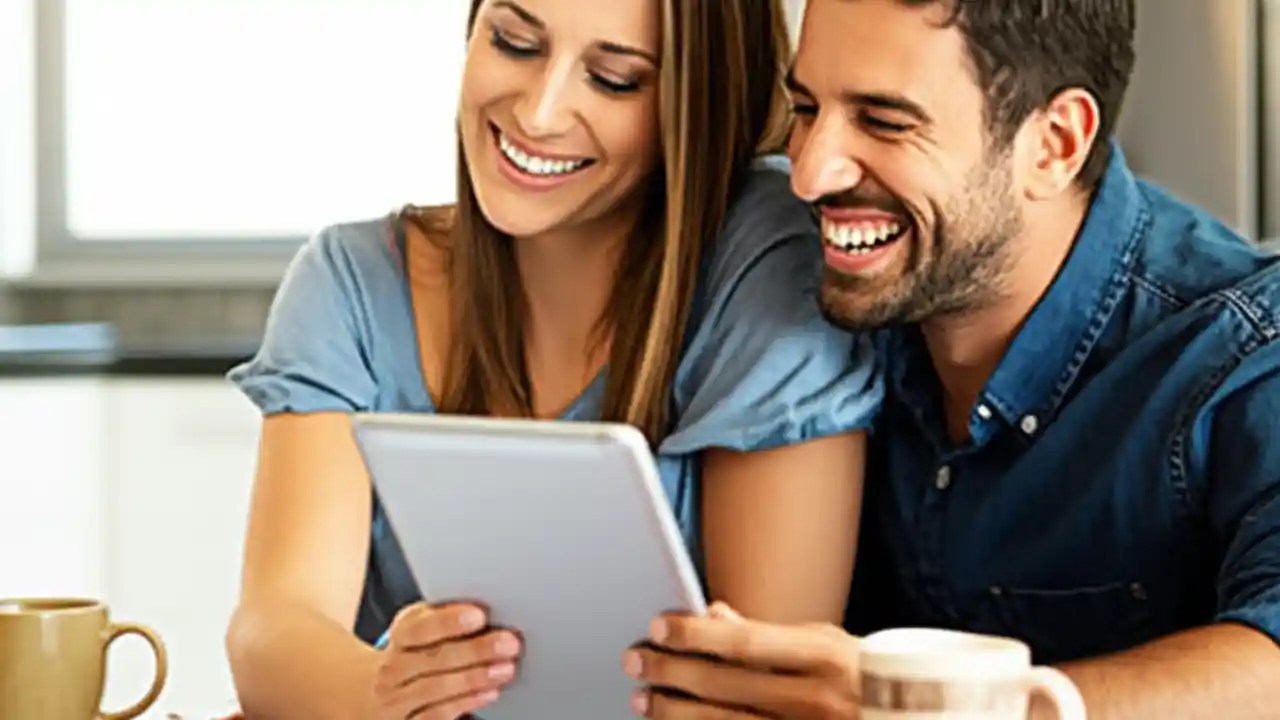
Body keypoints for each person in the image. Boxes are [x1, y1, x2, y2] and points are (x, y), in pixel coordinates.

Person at [223, 0, 881, 717]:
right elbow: (273, 631)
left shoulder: (766, 268)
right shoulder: (351, 282)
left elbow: (763, 682)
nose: (538, 113)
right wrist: (378, 692)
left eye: (614, 79)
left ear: (696, 103)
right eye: (514, 41)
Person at [624, 0, 1280, 718]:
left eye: (884, 122)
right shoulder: (810, 307)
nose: (809, 173)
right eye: (806, 107)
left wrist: (955, 707)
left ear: (1054, 144)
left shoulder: (1242, 348)